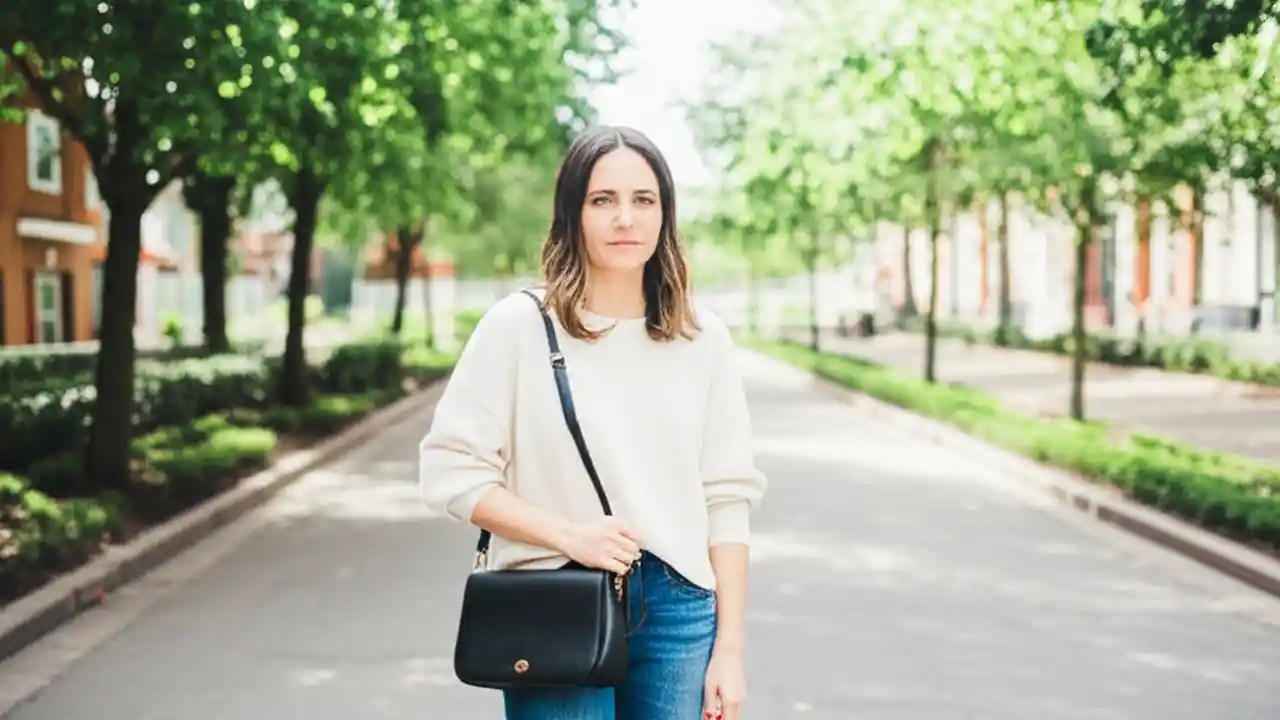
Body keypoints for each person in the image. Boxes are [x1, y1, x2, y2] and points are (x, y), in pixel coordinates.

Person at [418, 125, 768, 720]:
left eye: (643, 200)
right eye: (603, 200)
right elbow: (449, 473)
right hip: (556, 591)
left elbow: (727, 498)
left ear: (665, 216)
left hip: (679, 606)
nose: (625, 219)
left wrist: (729, 651)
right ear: (573, 213)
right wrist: (567, 535)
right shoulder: (519, 327)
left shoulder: (702, 339)